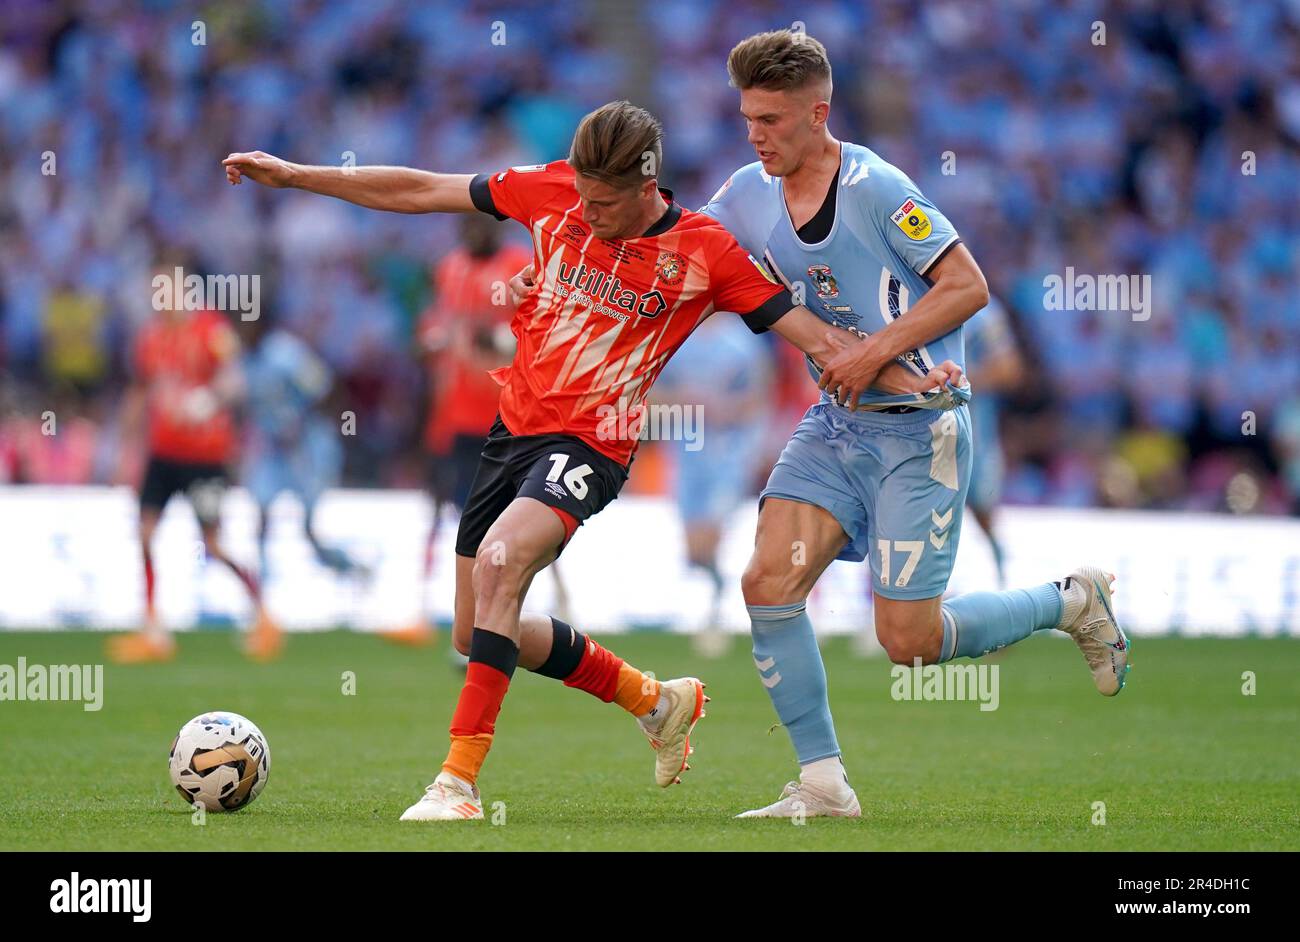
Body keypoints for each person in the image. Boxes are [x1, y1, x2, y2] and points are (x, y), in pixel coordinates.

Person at [223, 98, 959, 821]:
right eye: (581, 195)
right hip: (513, 433)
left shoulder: (704, 253)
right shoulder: (552, 190)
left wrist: (910, 376)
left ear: (647, 187)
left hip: (589, 444)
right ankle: (656, 700)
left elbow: (818, 337)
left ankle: (456, 785)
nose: (588, 213)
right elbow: (423, 188)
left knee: (503, 563)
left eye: (605, 202)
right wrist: (295, 175)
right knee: (476, 626)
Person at [702, 32, 1130, 817]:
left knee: (910, 643)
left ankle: (1071, 601)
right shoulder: (745, 192)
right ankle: (823, 784)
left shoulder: (876, 187)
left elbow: (967, 286)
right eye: (746, 118)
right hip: (836, 429)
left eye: (770, 119)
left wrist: (872, 353)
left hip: (918, 435)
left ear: (817, 113)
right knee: (768, 581)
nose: (754, 134)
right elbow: (683, 255)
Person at [108, 268, 281, 663]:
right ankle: (153, 629)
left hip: (205, 456)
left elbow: (235, 380)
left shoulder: (211, 329)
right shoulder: (150, 338)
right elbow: (140, 391)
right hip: (163, 452)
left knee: (214, 545)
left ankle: (264, 614)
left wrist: (209, 399)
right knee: (145, 533)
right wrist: (125, 449)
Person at [963, 295, 1026, 588]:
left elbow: (1009, 369)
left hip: (974, 436)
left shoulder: (982, 310)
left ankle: (1003, 577)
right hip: (916, 433)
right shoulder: (904, 295)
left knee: (982, 509)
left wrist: (955, 383)